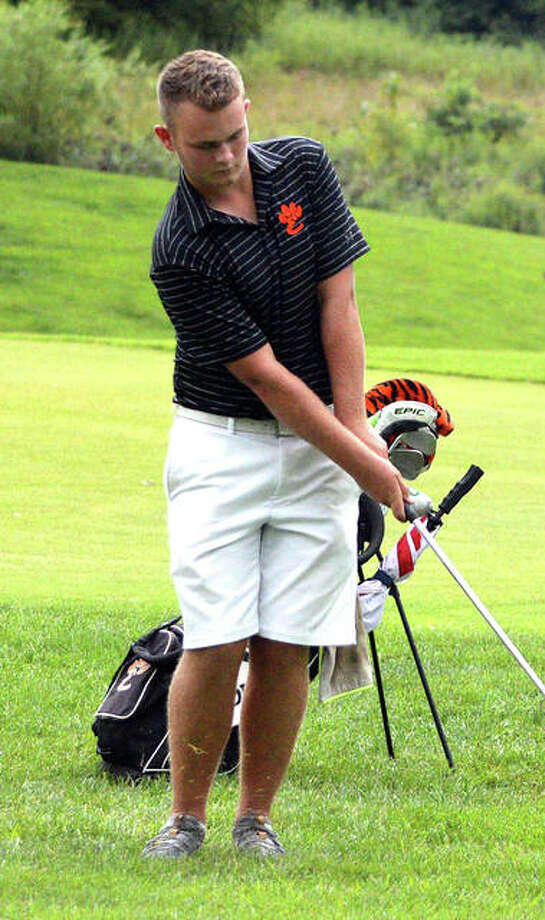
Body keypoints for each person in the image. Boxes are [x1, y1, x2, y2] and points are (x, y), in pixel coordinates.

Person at [141, 49, 409, 859]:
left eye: (232, 135)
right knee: (217, 636)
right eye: (201, 145)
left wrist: (357, 431)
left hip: (318, 443)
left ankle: (254, 819)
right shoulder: (180, 247)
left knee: (289, 638)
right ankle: (184, 819)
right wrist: (364, 463)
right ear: (166, 139)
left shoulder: (302, 167)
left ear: (248, 113)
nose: (222, 157)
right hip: (222, 446)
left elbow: (340, 299)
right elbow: (268, 381)